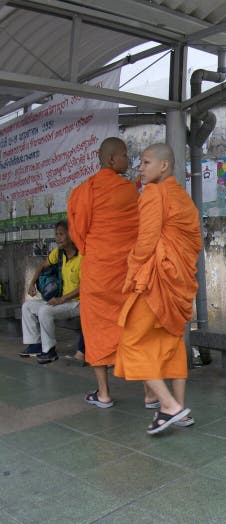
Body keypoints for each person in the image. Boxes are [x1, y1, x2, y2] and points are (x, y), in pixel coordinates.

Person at [115, 143, 201, 434]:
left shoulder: (154, 193)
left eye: (146, 162)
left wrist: (132, 271)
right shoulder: (182, 197)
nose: (140, 167)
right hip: (180, 282)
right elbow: (193, 243)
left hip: (155, 281)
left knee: (130, 342)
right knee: (171, 342)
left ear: (164, 166)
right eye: (140, 162)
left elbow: (147, 241)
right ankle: (181, 408)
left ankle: (169, 406)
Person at [68, 137, 139, 408]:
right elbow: (138, 229)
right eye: (125, 155)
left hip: (97, 272)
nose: (129, 160)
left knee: (96, 329)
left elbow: (78, 232)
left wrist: (95, 248)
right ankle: (151, 393)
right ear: (111, 159)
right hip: (124, 273)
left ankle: (104, 393)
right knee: (133, 326)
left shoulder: (83, 191)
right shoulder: (129, 191)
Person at [19, 220, 81, 364]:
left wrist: (61, 300)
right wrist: (32, 283)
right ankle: (35, 345)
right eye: (56, 234)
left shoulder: (82, 256)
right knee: (27, 306)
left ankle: (49, 350)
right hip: (61, 300)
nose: (58, 238)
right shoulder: (59, 253)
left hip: (77, 303)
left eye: (61, 234)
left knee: (45, 311)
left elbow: (84, 287)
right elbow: (42, 265)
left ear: (71, 235)